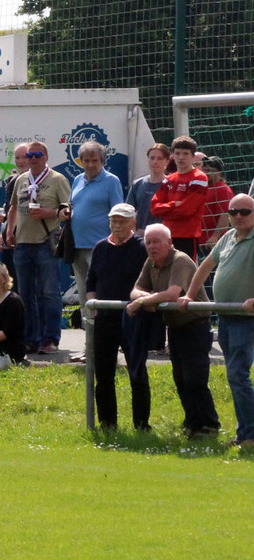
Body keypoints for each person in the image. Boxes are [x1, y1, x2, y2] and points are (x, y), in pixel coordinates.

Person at [130, 223, 218, 438]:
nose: (152, 246)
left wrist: (145, 301)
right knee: (180, 379)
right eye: (148, 242)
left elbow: (172, 293)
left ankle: (209, 425)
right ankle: (192, 425)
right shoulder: (151, 262)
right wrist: (144, 299)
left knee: (195, 379)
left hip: (195, 326)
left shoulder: (180, 260)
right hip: (175, 327)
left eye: (156, 242)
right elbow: (135, 290)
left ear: (169, 243)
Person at [184, 193, 254, 449]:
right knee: (236, 375)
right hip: (225, 316)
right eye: (233, 211)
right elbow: (205, 266)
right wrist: (190, 295)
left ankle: (250, 436)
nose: (238, 216)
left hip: (246, 319)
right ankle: (245, 433)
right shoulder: (227, 237)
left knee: (238, 374)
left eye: (245, 212)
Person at [86, 203, 152, 430]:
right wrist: (93, 305)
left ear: (133, 223)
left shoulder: (142, 247)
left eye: (122, 221)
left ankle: (142, 425)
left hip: (132, 319)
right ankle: (107, 424)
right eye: (114, 220)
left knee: (137, 373)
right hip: (104, 320)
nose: (117, 225)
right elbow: (91, 281)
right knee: (103, 375)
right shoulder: (100, 247)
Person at [4, 140, 71, 354]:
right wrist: (8, 230)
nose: (32, 159)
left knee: (49, 292)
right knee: (25, 293)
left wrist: (48, 213)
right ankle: (31, 338)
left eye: (37, 155)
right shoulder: (21, 179)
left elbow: (67, 209)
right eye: (29, 156)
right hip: (23, 242)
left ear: (46, 157)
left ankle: (50, 338)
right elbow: (13, 206)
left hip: (45, 241)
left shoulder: (57, 179)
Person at [65, 140, 125, 315]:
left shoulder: (111, 181)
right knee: (84, 295)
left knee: (102, 291)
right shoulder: (77, 180)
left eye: (95, 161)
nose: (90, 165)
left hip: (100, 247)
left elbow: (118, 214)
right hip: (77, 247)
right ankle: (89, 336)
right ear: (81, 161)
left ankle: (104, 331)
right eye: (86, 161)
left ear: (103, 161)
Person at [150, 136, 209, 257]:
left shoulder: (199, 178)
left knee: (185, 274)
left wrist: (165, 210)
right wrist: (173, 205)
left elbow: (186, 210)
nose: (181, 157)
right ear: (172, 155)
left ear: (193, 156)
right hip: (167, 236)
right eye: (177, 153)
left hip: (187, 236)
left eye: (185, 153)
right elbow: (154, 208)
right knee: (165, 273)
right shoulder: (169, 179)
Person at [127, 143, 170, 230]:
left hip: (162, 235)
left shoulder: (171, 184)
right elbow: (128, 211)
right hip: (141, 235)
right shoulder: (138, 184)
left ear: (167, 161)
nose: (155, 162)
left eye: (159, 158)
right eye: (152, 158)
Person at [199, 157, 234, 261]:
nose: (207, 173)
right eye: (205, 170)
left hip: (213, 244)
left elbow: (225, 215)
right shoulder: (202, 188)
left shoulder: (222, 189)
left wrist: (215, 236)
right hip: (200, 241)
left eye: (212, 171)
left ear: (220, 173)